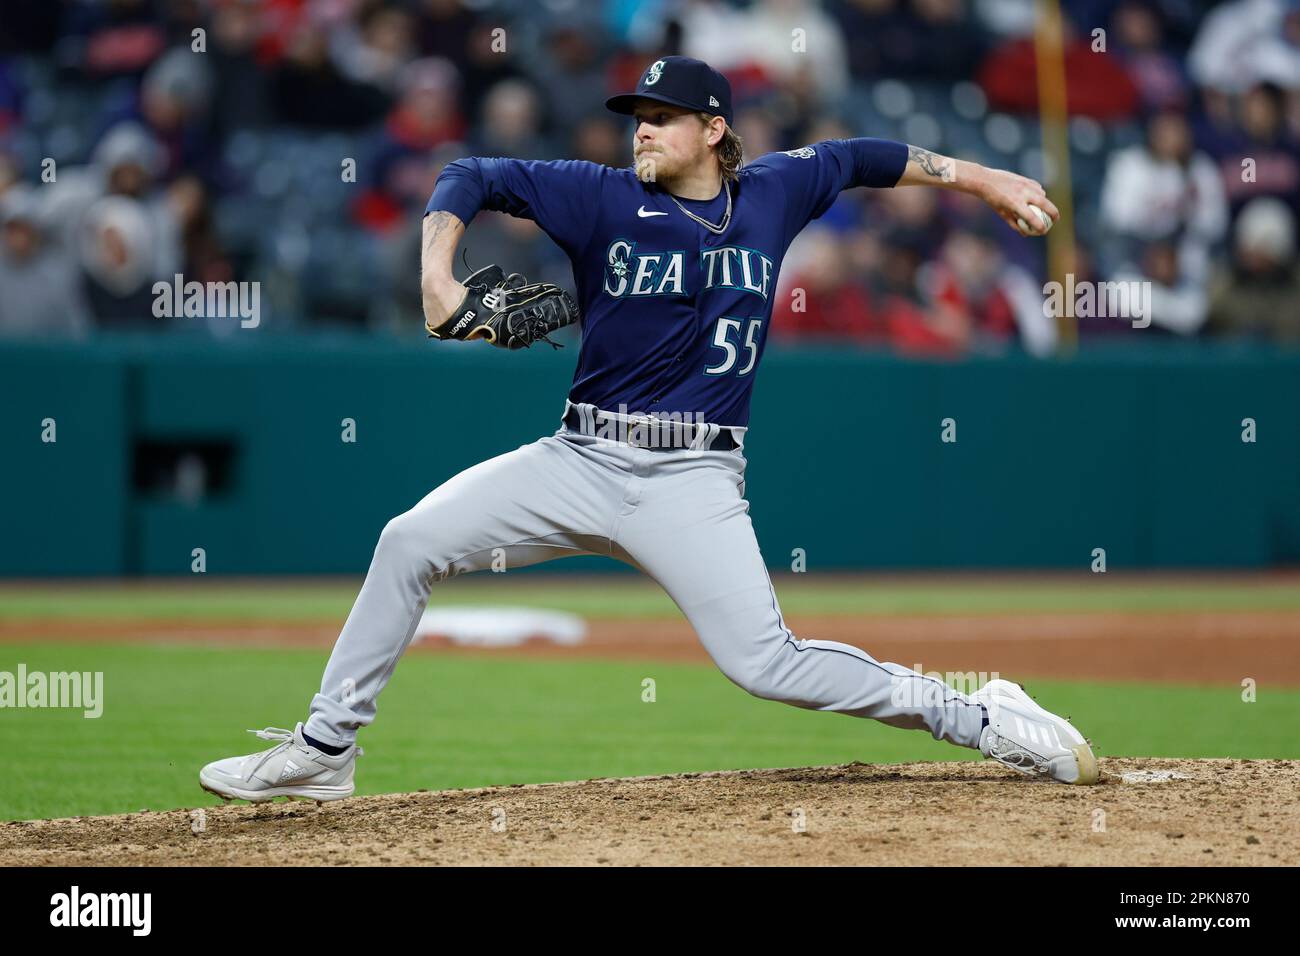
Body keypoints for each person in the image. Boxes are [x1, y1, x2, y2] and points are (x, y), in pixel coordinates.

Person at [199, 56, 1098, 803]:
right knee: (408, 541)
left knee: (766, 665)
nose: (641, 130)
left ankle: (980, 715)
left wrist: (985, 180)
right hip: (577, 456)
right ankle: (326, 749)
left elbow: (871, 156)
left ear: (712, 129)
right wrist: (440, 273)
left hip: (694, 483)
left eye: (663, 117)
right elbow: (469, 174)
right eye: (637, 116)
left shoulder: (776, 191)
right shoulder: (595, 196)